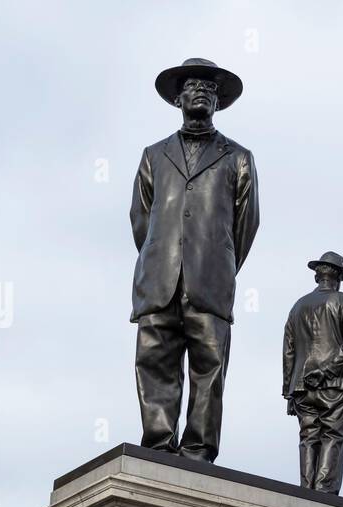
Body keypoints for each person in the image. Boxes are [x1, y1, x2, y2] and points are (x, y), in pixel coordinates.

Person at [130, 57, 260, 462]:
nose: (201, 91)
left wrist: (215, 262)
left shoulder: (238, 157)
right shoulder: (153, 154)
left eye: (209, 86)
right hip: (159, 278)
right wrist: (163, 255)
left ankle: (199, 451)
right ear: (177, 98)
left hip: (211, 281)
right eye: (191, 85)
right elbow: (141, 218)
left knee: (209, 368)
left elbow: (246, 225)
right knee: (154, 361)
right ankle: (157, 444)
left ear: (219, 101)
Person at [282, 252, 343, 494]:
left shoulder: (298, 307)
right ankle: (324, 494)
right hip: (334, 383)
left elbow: (288, 351)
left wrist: (288, 392)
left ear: (318, 276)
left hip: (301, 387)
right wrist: (327, 370)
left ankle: (307, 490)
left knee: (308, 437)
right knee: (332, 435)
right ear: (337, 278)